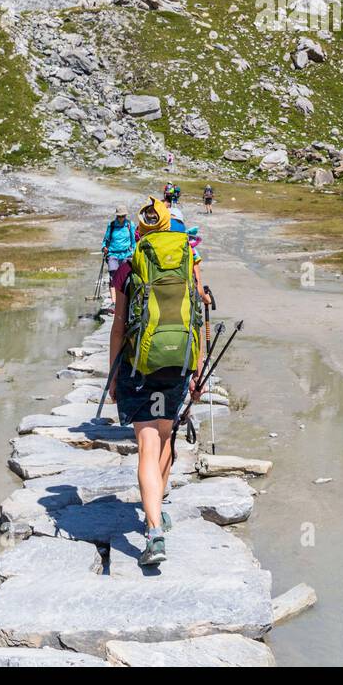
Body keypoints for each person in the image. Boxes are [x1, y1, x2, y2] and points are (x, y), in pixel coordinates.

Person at [109, 197, 211, 567]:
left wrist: (113, 375)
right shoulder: (187, 261)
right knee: (166, 437)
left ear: (140, 229)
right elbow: (198, 317)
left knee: (146, 445)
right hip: (177, 363)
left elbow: (119, 326)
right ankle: (158, 507)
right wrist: (197, 368)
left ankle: (153, 532)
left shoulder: (128, 266)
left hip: (140, 367)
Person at [101, 205, 136, 301]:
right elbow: (105, 240)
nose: (121, 218)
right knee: (113, 275)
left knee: (125, 276)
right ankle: (114, 302)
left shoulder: (130, 225)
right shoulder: (111, 225)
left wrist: (133, 252)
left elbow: (133, 242)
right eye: (119, 216)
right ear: (116, 216)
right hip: (113, 254)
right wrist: (104, 248)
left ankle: (123, 299)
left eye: (123, 216)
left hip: (126, 254)